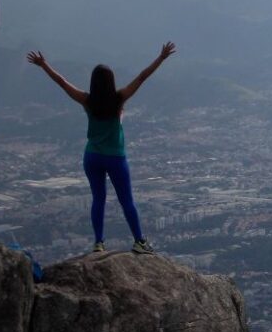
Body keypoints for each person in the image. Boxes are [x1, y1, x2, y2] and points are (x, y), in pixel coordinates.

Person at [27, 42, 177, 254]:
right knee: (126, 200)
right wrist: (161, 58)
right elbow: (142, 77)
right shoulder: (119, 99)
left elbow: (62, 83)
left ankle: (98, 243)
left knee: (98, 199)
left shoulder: (87, 100)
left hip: (92, 156)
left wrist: (44, 65)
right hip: (115, 157)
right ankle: (139, 241)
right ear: (111, 82)